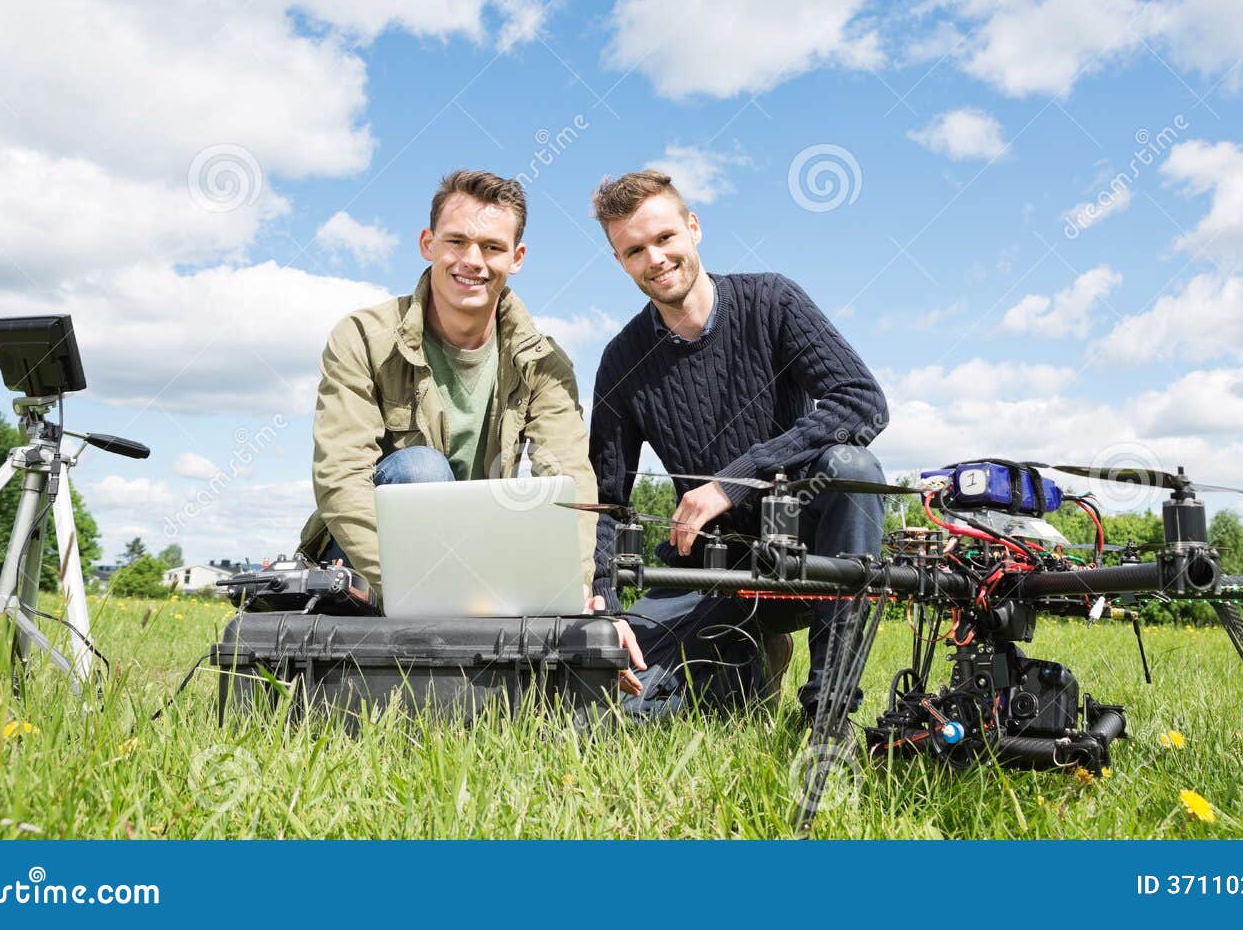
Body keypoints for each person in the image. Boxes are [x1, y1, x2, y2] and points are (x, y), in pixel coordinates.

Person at [298, 169, 645, 691]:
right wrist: (435, 590)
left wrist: (571, 597)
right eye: (456, 241)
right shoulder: (363, 337)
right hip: (373, 560)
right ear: (427, 243)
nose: (472, 262)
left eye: (492, 247)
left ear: (516, 258)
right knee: (421, 469)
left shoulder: (544, 361)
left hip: (476, 563)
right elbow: (341, 480)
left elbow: (570, 480)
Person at [587, 169, 889, 721]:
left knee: (853, 465)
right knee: (605, 711)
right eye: (634, 250)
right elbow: (608, 498)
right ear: (619, 261)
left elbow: (862, 403)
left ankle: (829, 711)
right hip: (709, 571)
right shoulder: (621, 360)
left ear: (693, 227)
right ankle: (748, 665)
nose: (654, 258)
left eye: (665, 238)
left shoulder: (771, 301)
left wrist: (733, 482)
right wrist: (605, 609)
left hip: (803, 560)